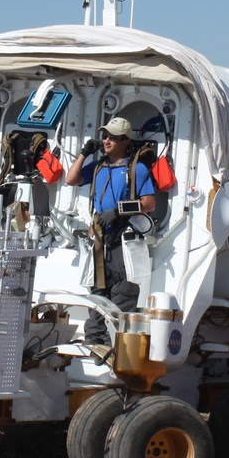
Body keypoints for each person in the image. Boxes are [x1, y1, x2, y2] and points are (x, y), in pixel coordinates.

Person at [66, 116, 156, 344]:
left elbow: (149, 203)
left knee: (123, 291)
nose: (106, 141)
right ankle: (94, 341)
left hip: (124, 238)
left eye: (113, 138)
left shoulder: (137, 168)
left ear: (125, 141)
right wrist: (85, 152)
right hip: (100, 237)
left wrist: (118, 211)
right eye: (105, 136)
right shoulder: (98, 167)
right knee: (98, 288)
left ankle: (118, 344)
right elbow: (71, 179)